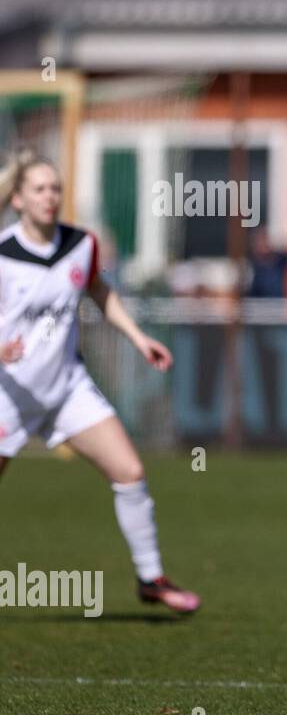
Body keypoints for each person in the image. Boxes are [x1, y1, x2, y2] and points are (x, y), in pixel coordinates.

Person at [0, 150, 201, 614]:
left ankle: (151, 578)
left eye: (55, 188)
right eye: (39, 189)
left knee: (130, 473)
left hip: (66, 388)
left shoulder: (81, 245)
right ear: (18, 199)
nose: (50, 197)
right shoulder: (4, 253)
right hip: (10, 392)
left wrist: (138, 337)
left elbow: (99, 291)